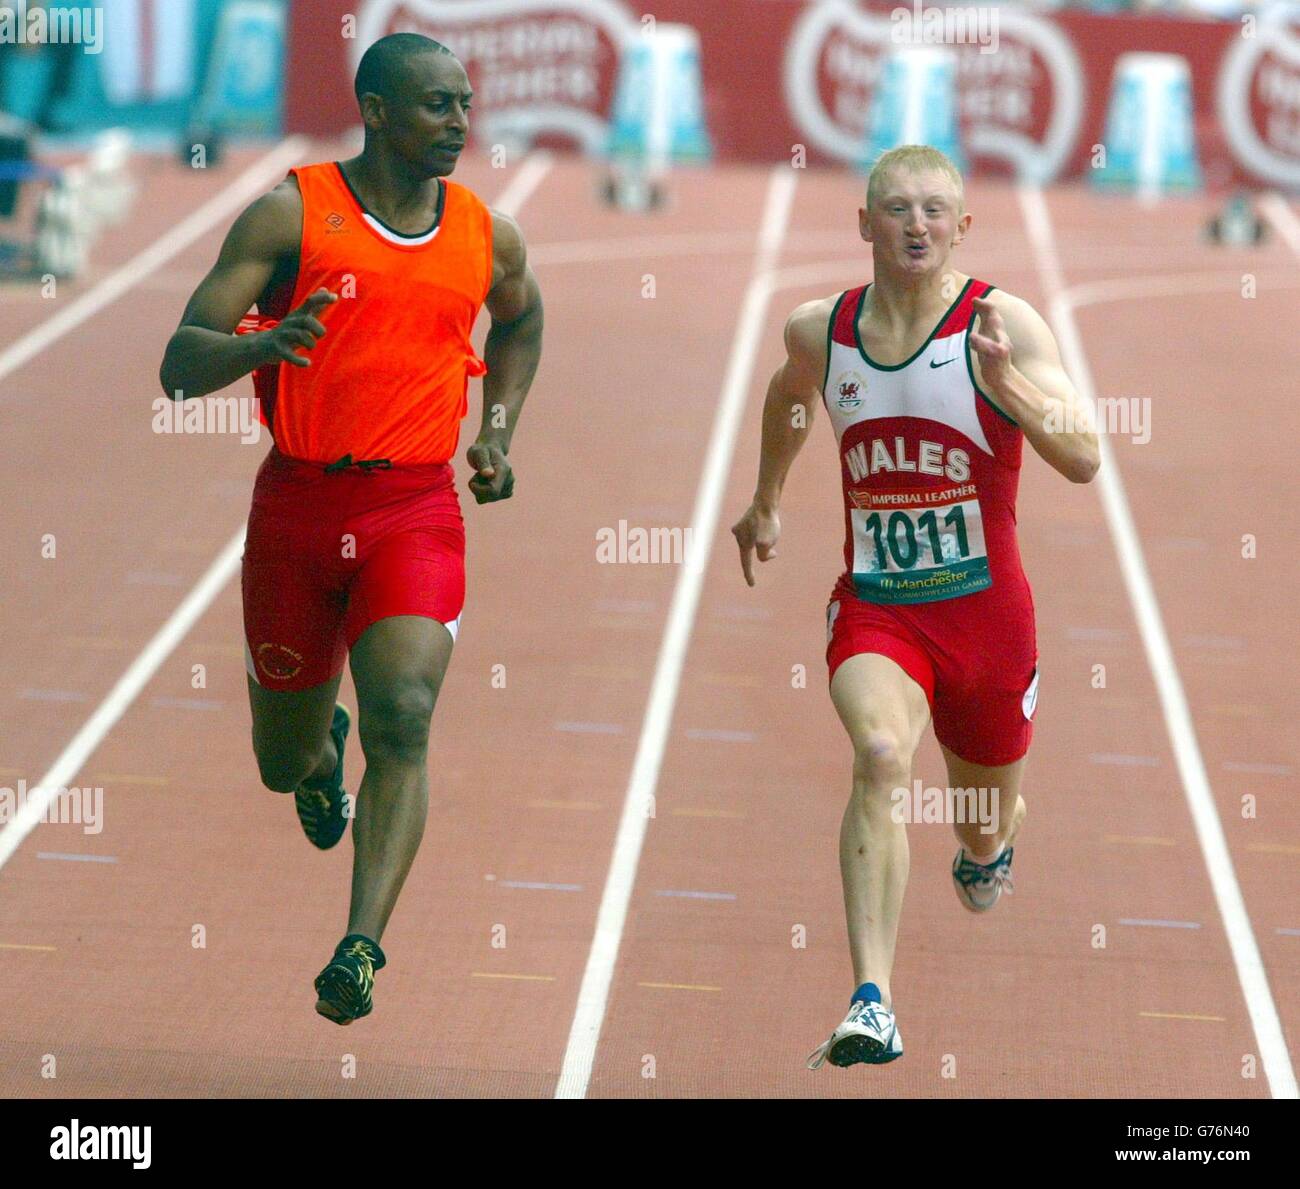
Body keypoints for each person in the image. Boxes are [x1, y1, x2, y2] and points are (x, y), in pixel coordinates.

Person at [159, 33, 543, 1024]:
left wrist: (495, 430)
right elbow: (178, 360)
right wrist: (265, 348)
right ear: (375, 110)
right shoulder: (292, 214)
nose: (459, 122)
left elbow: (523, 319)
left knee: (405, 715)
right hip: (298, 503)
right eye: (435, 106)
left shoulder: (485, 234)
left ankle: (359, 945)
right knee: (279, 759)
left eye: (464, 103)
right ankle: (317, 760)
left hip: (411, 507)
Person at [730, 144, 1097, 1067]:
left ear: (963, 226)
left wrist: (1006, 384)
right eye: (897, 210)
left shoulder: (1000, 323)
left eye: (936, 210)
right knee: (882, 752)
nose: (917, 226)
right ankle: (873, 998)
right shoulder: (823, 329)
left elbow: (1086, 454)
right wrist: (768, 496)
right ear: (864, 224)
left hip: (987, 621)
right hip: (879, 610)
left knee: (977, 828)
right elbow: (790, 397)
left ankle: (985, 848)